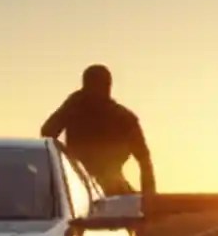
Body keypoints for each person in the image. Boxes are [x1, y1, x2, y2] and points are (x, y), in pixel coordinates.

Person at [40, 64, 157, 204]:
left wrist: (149, 198)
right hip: (79, 185)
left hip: (107, 187)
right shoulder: (75, 110)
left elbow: (144, 159)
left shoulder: (124, 118)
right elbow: (47, 133)